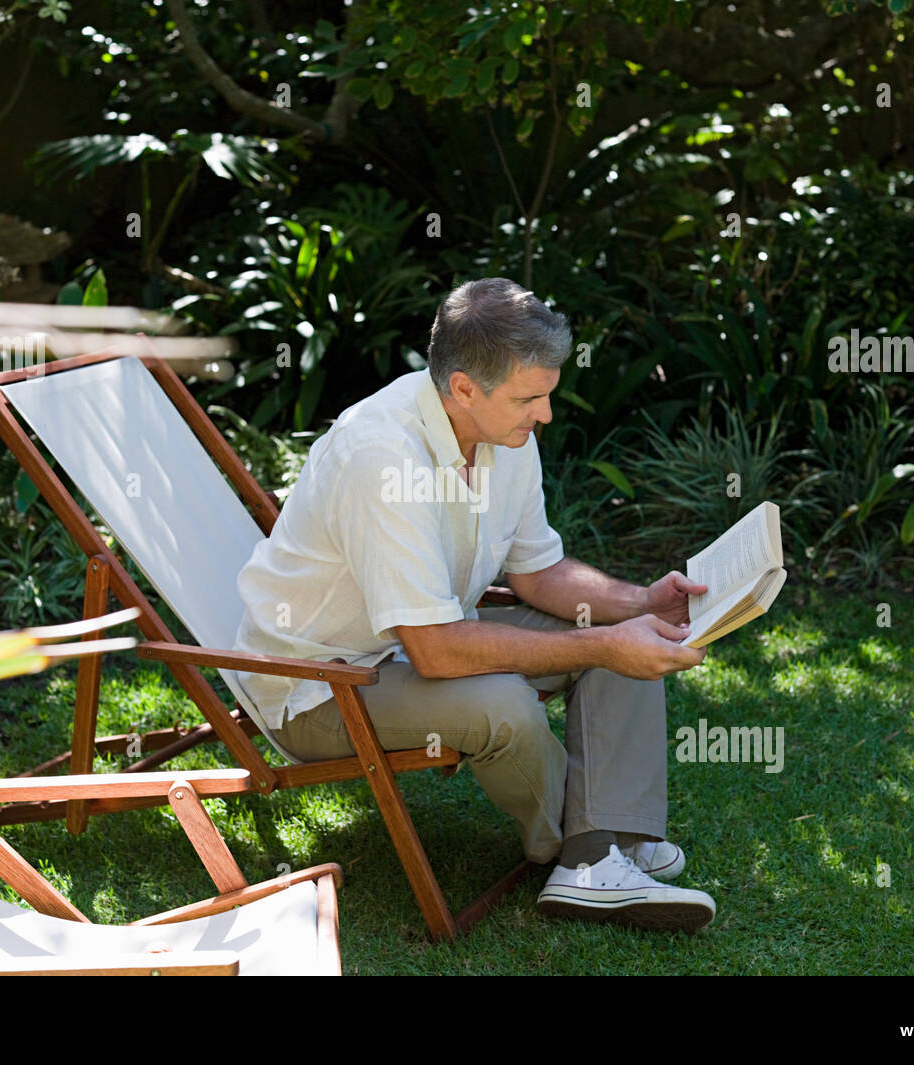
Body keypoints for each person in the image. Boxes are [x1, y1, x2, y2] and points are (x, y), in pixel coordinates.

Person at [224, 277, 716, 931]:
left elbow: (539, 571)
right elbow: (436, 648)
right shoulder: (382, 458)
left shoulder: (501, 430)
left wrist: (638, 600)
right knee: (504, 702)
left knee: (618, 625)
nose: (544, 413)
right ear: (462, 388)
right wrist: (598, 643)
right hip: (317, 685)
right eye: (530, 397)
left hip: (411, 639)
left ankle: (605, 844)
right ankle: (587, 850)